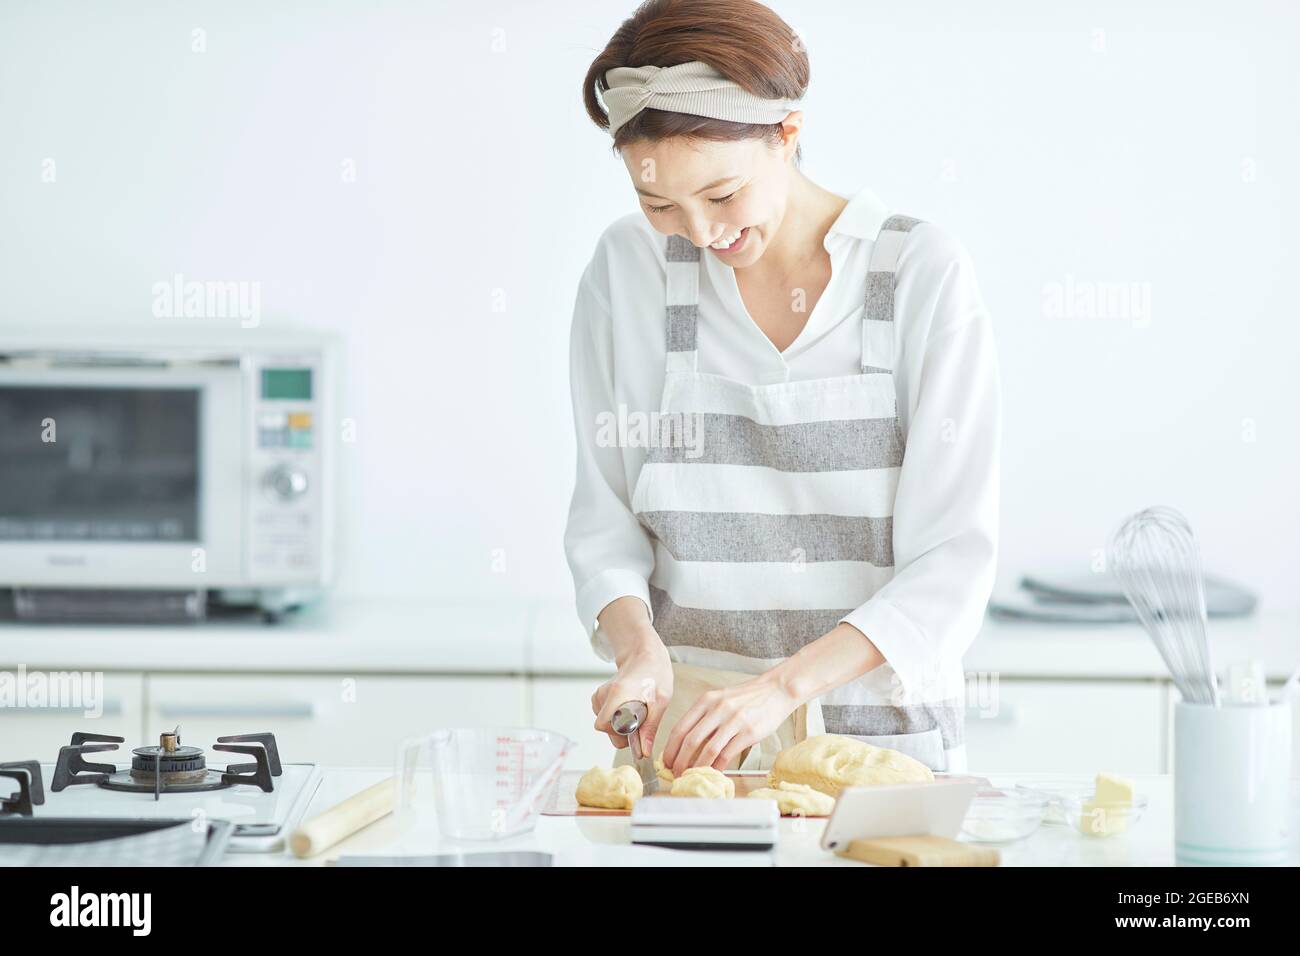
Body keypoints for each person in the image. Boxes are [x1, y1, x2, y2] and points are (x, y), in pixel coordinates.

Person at [565, 0, 1000, 777]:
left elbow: (952, 562)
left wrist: (779, 690)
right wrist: (637, 651)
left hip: (879, 753)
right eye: (659, 202)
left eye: (723, 195)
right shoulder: (626, 273)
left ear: (786, 135)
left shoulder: (919, 276)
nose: (699, 234)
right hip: (690, 751)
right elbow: (606, 524)